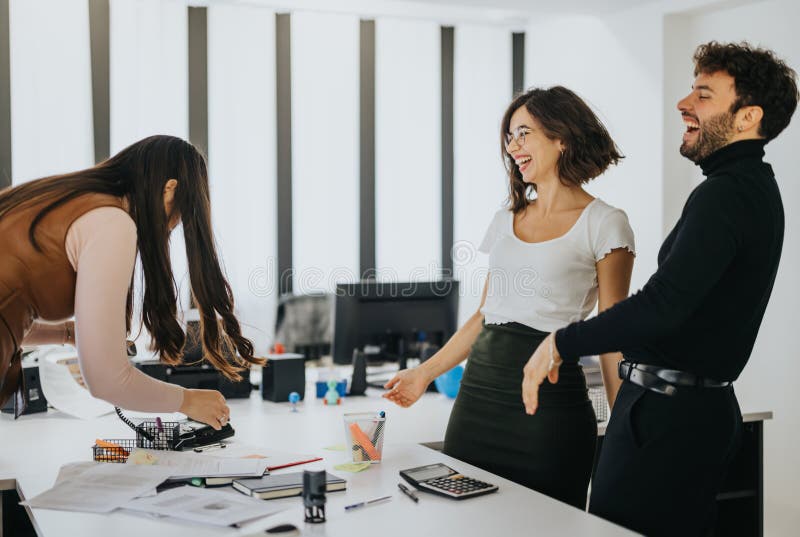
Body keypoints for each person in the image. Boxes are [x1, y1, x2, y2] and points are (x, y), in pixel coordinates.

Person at [521, 42, 798, 535]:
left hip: (670, 417)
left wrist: (561, 342)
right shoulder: (750, 186)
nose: (683, 104)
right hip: (684, 411)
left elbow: (661, 306)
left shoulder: (727, 195)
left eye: (704, 95)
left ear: (747, 116)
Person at [383, 86, 636, 508]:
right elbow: (485, 315)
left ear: (561, 137)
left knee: (546, 525)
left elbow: (613, 337)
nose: (512, 147)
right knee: (465, 519)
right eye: (509, 137)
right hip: (477, 403)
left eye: (523, 134)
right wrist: (423, 373)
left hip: (548, 412)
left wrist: (622, 428)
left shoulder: (605, 223)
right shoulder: (506, 219)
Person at [0, 135, 265, 427]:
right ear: (169, 190)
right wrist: (187, 400)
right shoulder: (112, 223)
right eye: (178, 217)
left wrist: (66, 333)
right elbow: (106, 380)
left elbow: (10, 314)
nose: (172, 228)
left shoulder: (70, 199)